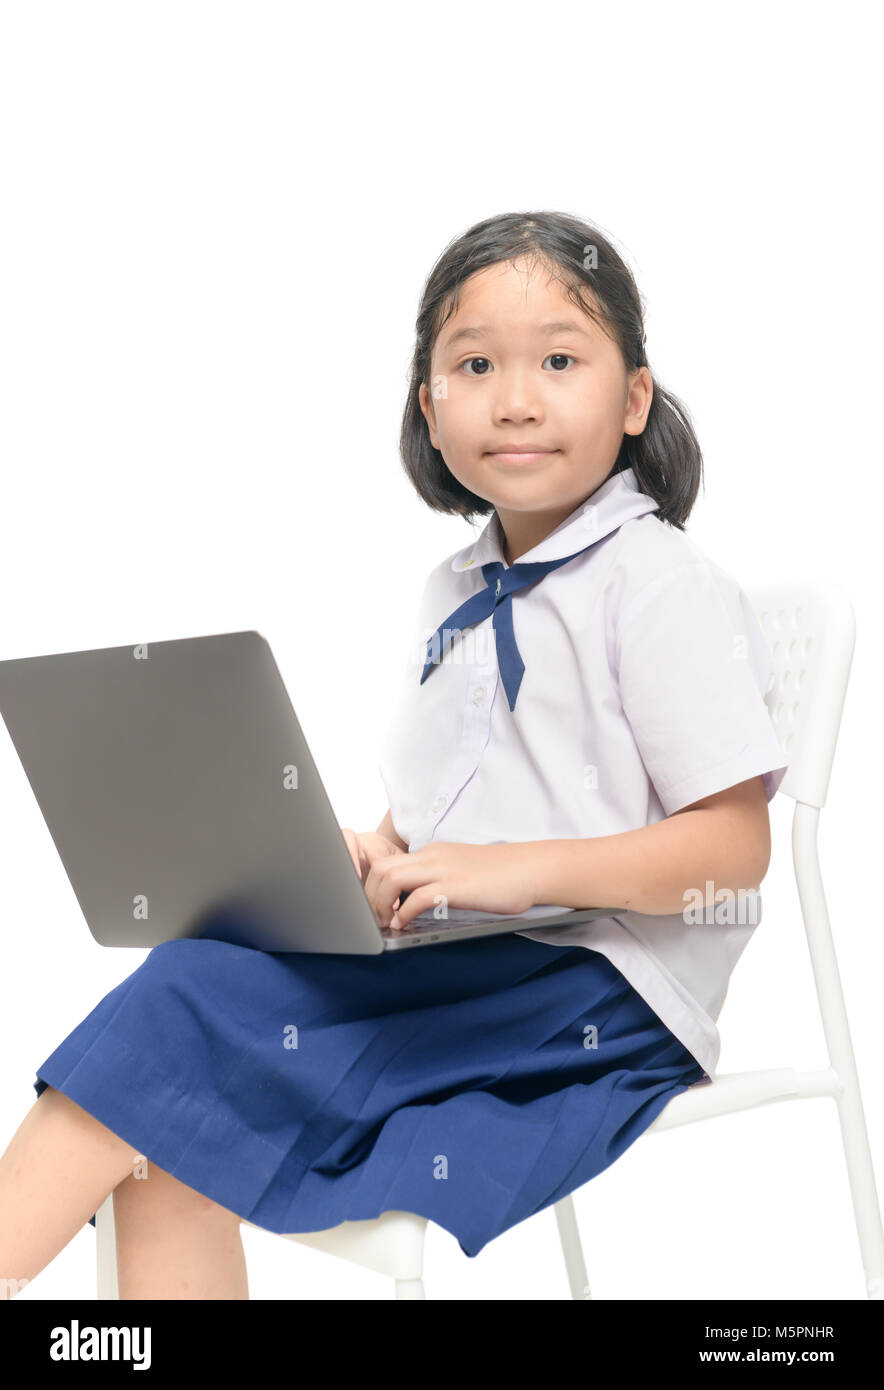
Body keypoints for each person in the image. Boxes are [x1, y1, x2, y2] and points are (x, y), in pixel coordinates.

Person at [0, 210, 787, 1300]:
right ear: (429, 405)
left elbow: (730, 849)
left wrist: (500, 872)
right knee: (168, 1075)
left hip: (589, 995)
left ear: (633, 399)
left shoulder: (658, 583)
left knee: (178, 1017)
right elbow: (445, 821)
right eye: (474, 366)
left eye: (559, 360)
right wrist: (370, 861)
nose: (515, 397)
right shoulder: (452, 594)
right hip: (462, 958)